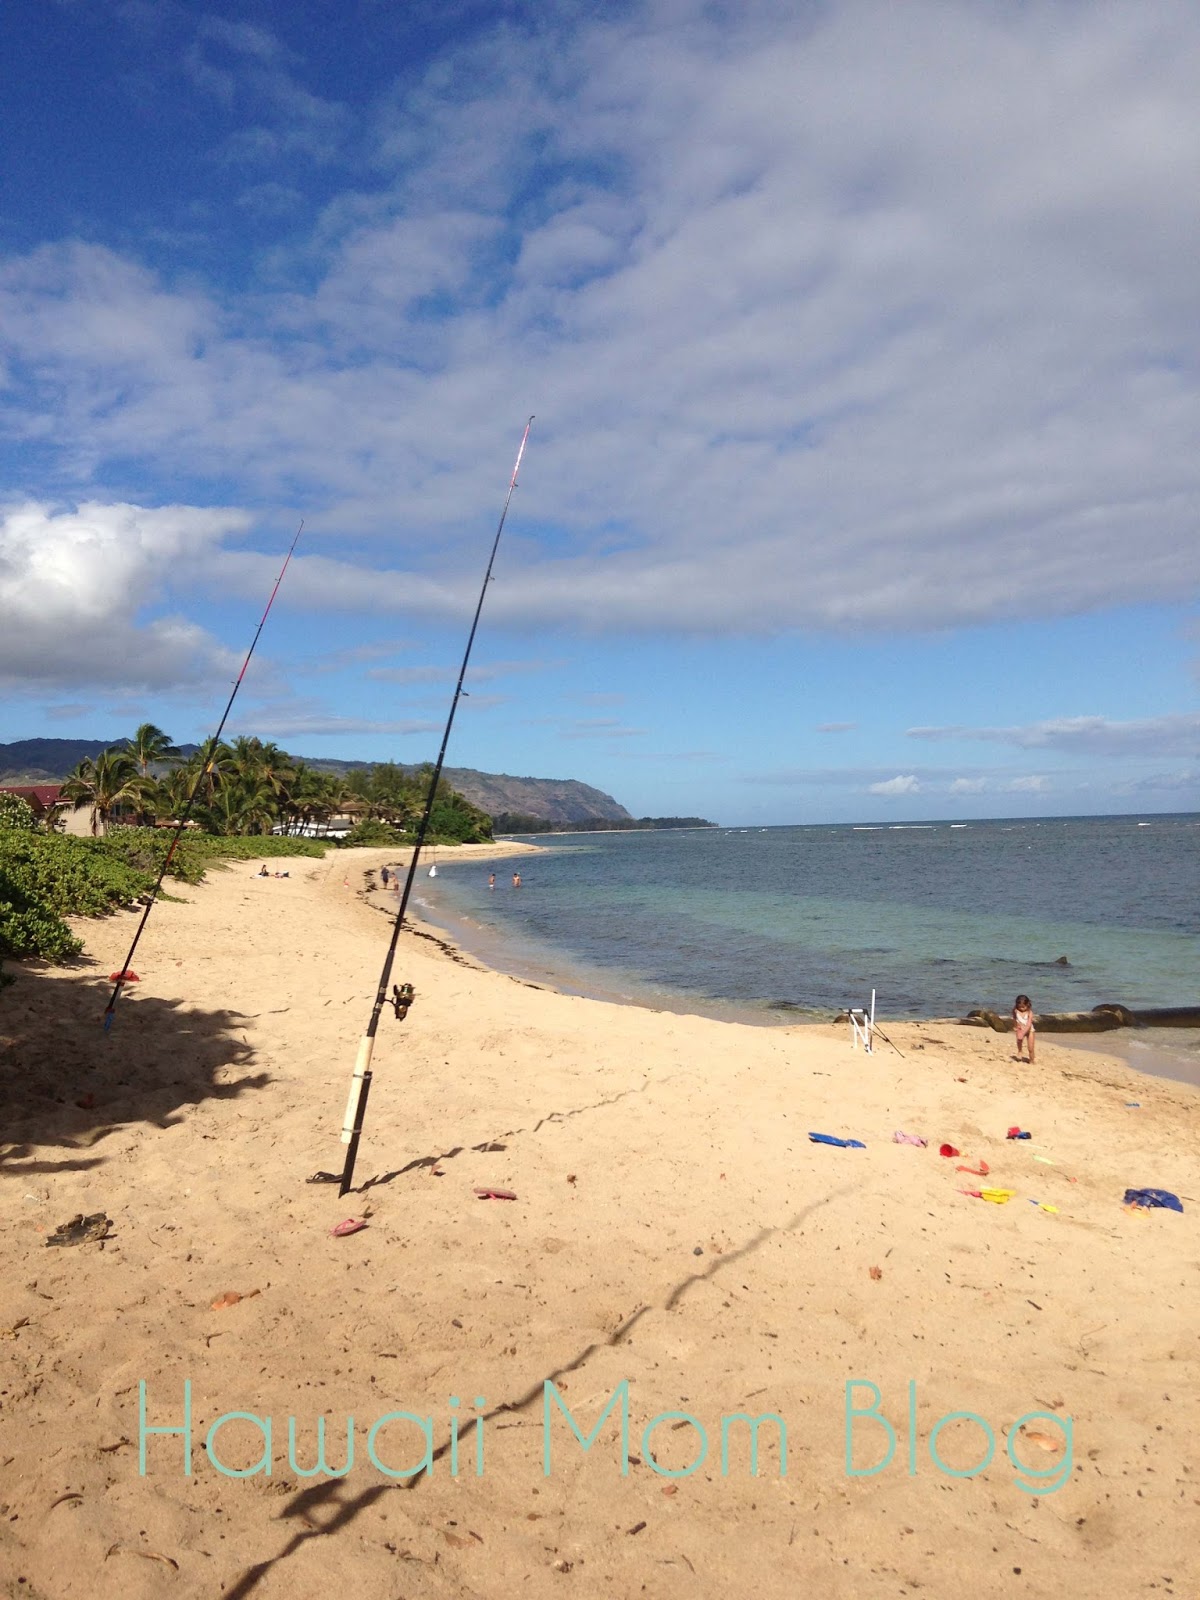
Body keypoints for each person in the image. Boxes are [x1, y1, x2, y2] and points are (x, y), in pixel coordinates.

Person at [1012, 995, 1036, 1063]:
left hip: (1029, 1030)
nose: (1021, 1008)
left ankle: (1032, 1060)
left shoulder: (1029, 1012)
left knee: (1030, 1048)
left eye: (1023, 1007)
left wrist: (1023, 1032)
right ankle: (1020, 1051)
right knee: (1019, 1041)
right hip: (1020, 1029)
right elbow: (1014, 1018)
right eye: (1019, 1007)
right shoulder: (1016, 1011)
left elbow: (1028, 1024)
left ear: (1027, 1005)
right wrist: (1015, 1026)